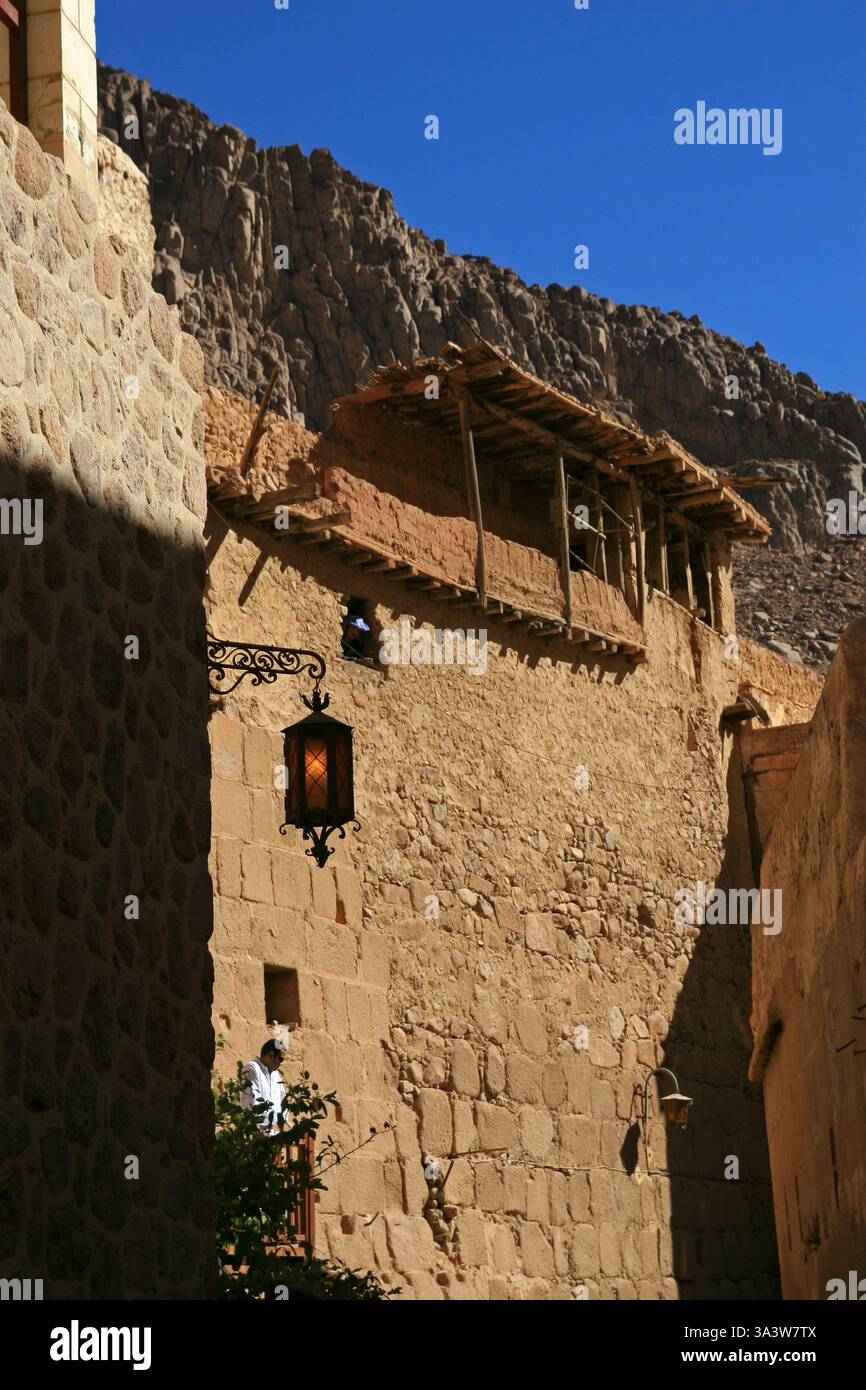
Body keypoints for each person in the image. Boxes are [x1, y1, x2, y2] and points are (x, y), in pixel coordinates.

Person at [240, 1039, 289, 1135]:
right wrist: (258, 1129)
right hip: (254, 1132)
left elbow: (282, 1099)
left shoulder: (275, 1075)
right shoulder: (253, 1068)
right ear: (271, 1055)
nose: (281, 1063)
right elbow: (251, 1100)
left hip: (271, 1132)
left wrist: (282, 1125)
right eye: (280, 1059)